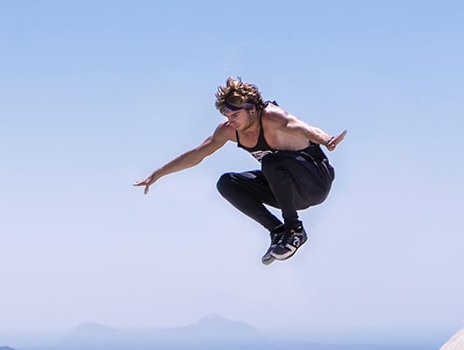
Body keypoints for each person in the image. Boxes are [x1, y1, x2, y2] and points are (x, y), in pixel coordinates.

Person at [134, 77, 346, 265]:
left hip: (315, 180)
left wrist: (326, 140)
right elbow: (197, 155)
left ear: (251, 109)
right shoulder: (228, 130)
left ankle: (294, 230)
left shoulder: (272, 117)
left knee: (271, 162)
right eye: (226, 114)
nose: (230, 120)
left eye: (235, 114)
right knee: (227, 183)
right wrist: (157, 174)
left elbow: (302, 127)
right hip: (288, 191)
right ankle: (278, 231)